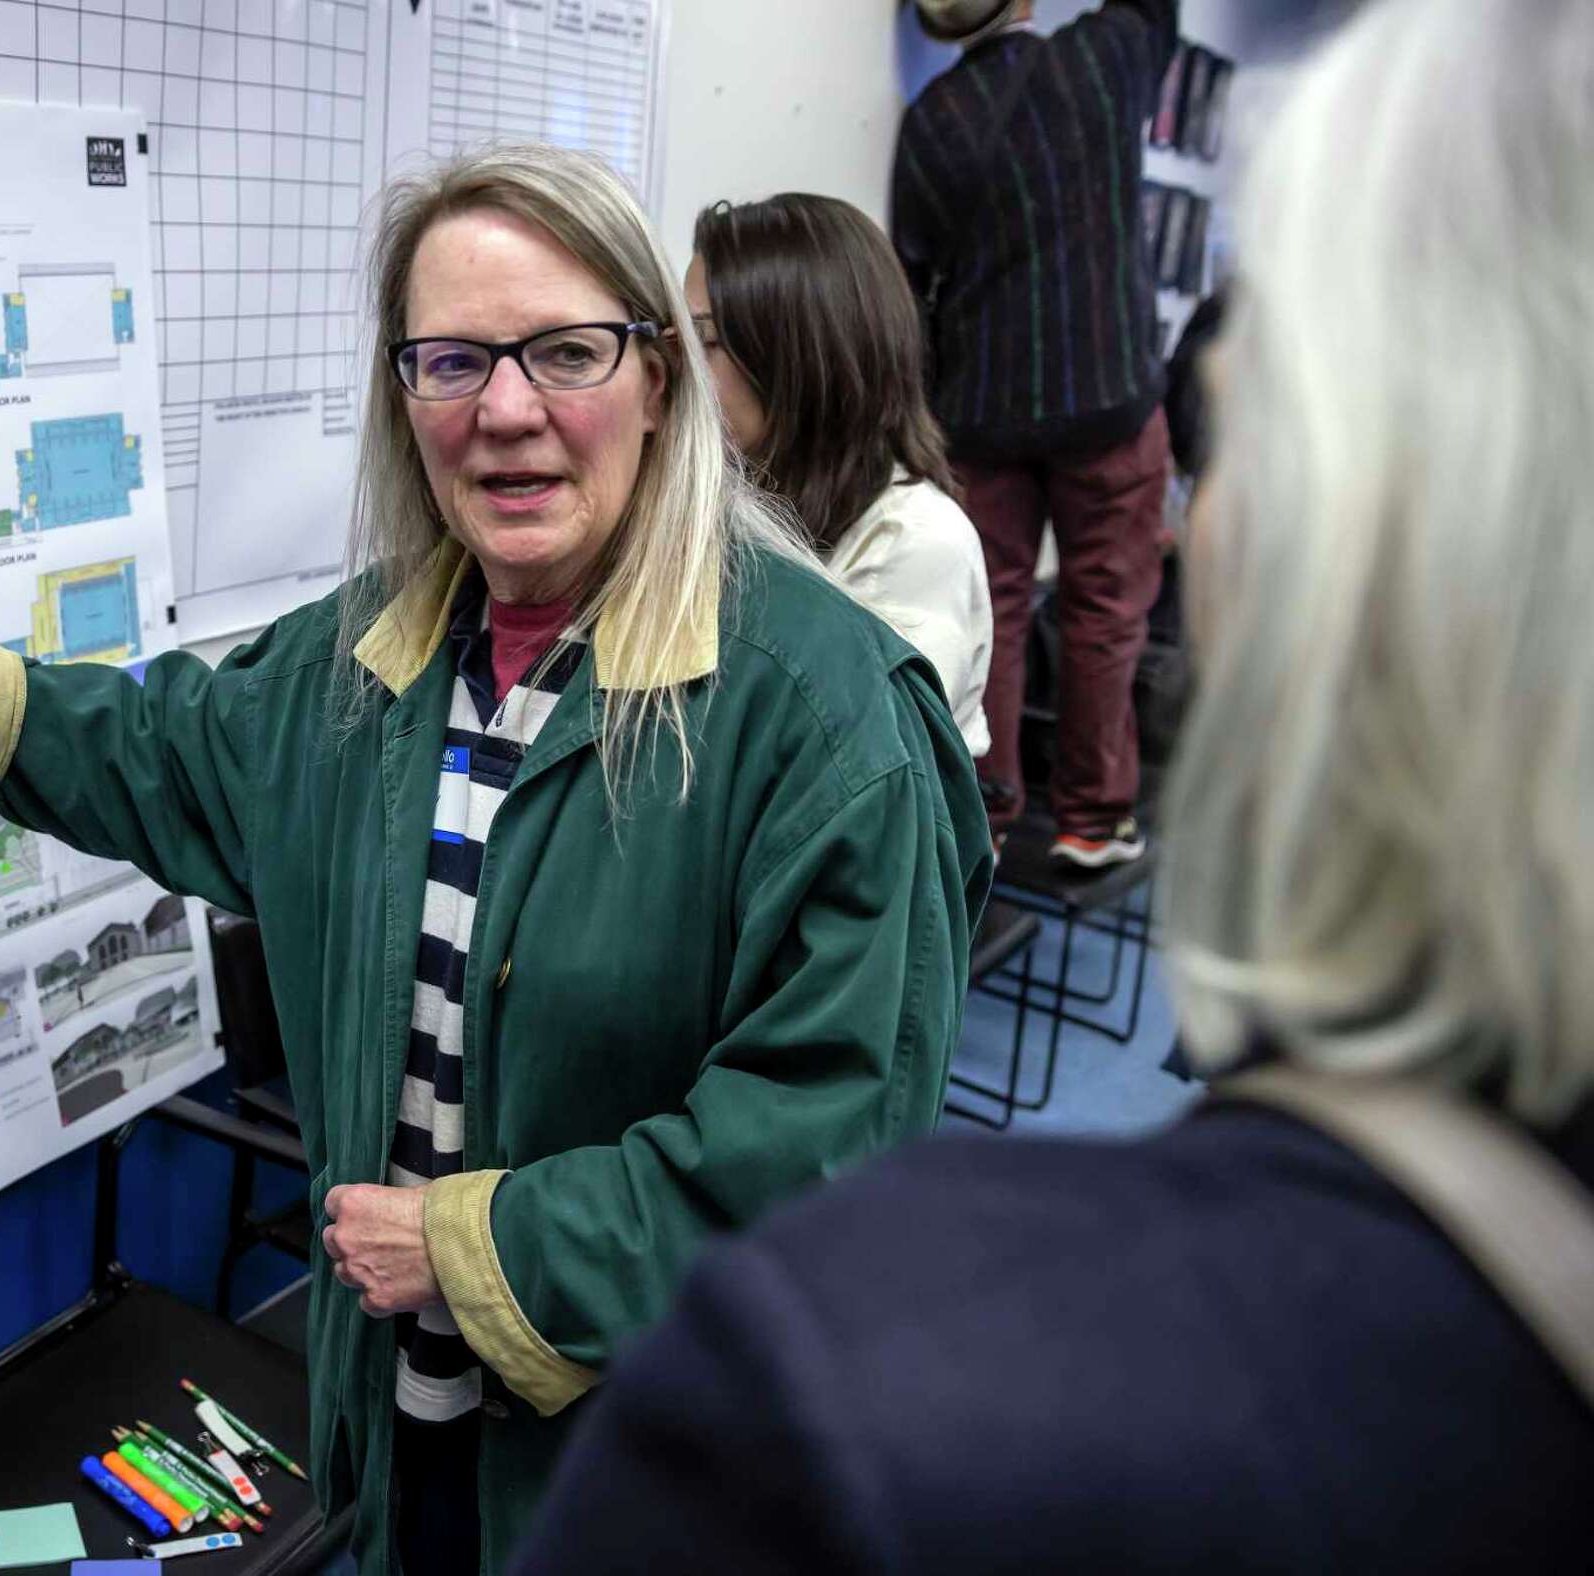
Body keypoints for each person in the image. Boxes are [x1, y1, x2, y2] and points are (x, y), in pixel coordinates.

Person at [0, 143, 992, 1574]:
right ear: (404, 396)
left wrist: (478, 1247)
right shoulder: (372, 654)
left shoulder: (828, 719)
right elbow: (175, 750)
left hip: (648, 1463)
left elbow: (828, 1159)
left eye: (566, 353)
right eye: (452, 361)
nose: (506, 412)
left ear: (659, 379)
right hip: (401, 1421)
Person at [515, 0, 1594, 1567]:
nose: (655, 383)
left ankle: (1082, 812)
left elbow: (805, 813)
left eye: (694, 341)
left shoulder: (835, 1415)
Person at [894, 0, 1177, 866]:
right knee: (1105, 608)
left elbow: (911, 279)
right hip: (1109, 396)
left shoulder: (928, 119)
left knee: (994, 609)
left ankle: (992, 806)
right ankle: (1094, 819)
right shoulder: (1101, 60)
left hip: (980, 409)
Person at [687, 192, 991, 757]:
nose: (680, 372)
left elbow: (848, 761)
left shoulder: (917, 541)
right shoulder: (743, 495)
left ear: (793, 358)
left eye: (705, 341)